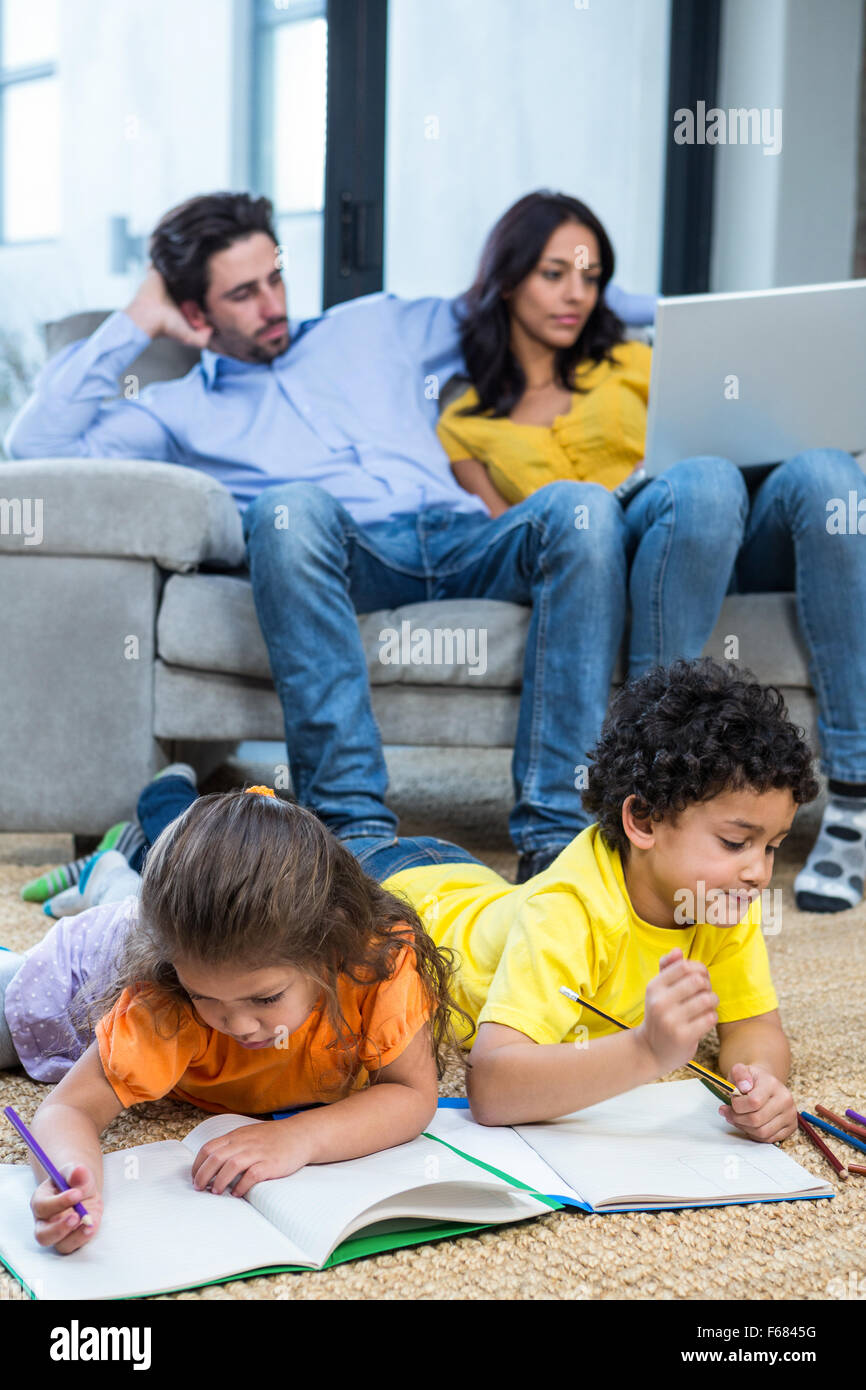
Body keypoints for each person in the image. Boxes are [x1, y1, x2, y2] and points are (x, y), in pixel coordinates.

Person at [4, 192, 652, 883]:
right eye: (244, 294)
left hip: (469, 536)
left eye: (275, 278)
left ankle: (557, 840)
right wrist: (137, 318)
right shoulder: (177, 411)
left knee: (583, 509)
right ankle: (357, 834)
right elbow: (35, 446)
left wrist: (680, 318)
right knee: (288, 509)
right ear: (195, 313)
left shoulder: (376, 325)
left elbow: (526, 292)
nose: (273, 304)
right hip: (348, 556)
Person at [438, 190, 866, 912]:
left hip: (727, 523)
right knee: (699, 484)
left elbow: (736, 413)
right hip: (628, 546)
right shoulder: (466, 417)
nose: (577, 293)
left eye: (592, 274)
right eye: (554, 273)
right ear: (507, 279)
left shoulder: (633, 360)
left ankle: (854, 799)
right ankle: (656, 771)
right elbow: (516, 537)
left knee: (823, 473)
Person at [349, 660, 818, 1136]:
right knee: (282, 882)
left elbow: (753, 1026)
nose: (759, 873)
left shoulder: (719, 902)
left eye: (773, 847)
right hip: (386, 890)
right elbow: (491, 1088)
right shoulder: (569, 911)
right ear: (645, 821)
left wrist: (760, 1081)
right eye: (736, 843)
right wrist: (646, 1052)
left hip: (465, 879)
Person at [9, 788, 468, 1255]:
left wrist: (298, 1138)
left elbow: (412, 1093)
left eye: (265, 998)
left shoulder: (375, 964)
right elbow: (67, 1109)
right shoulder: (167, 994)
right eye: (204, 996)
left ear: (332, 948)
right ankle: (108, 878)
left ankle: (110, 872)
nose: (239, 1024)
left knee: (131, 902)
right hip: (86, 968)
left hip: (162, 931)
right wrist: (68, 1178)